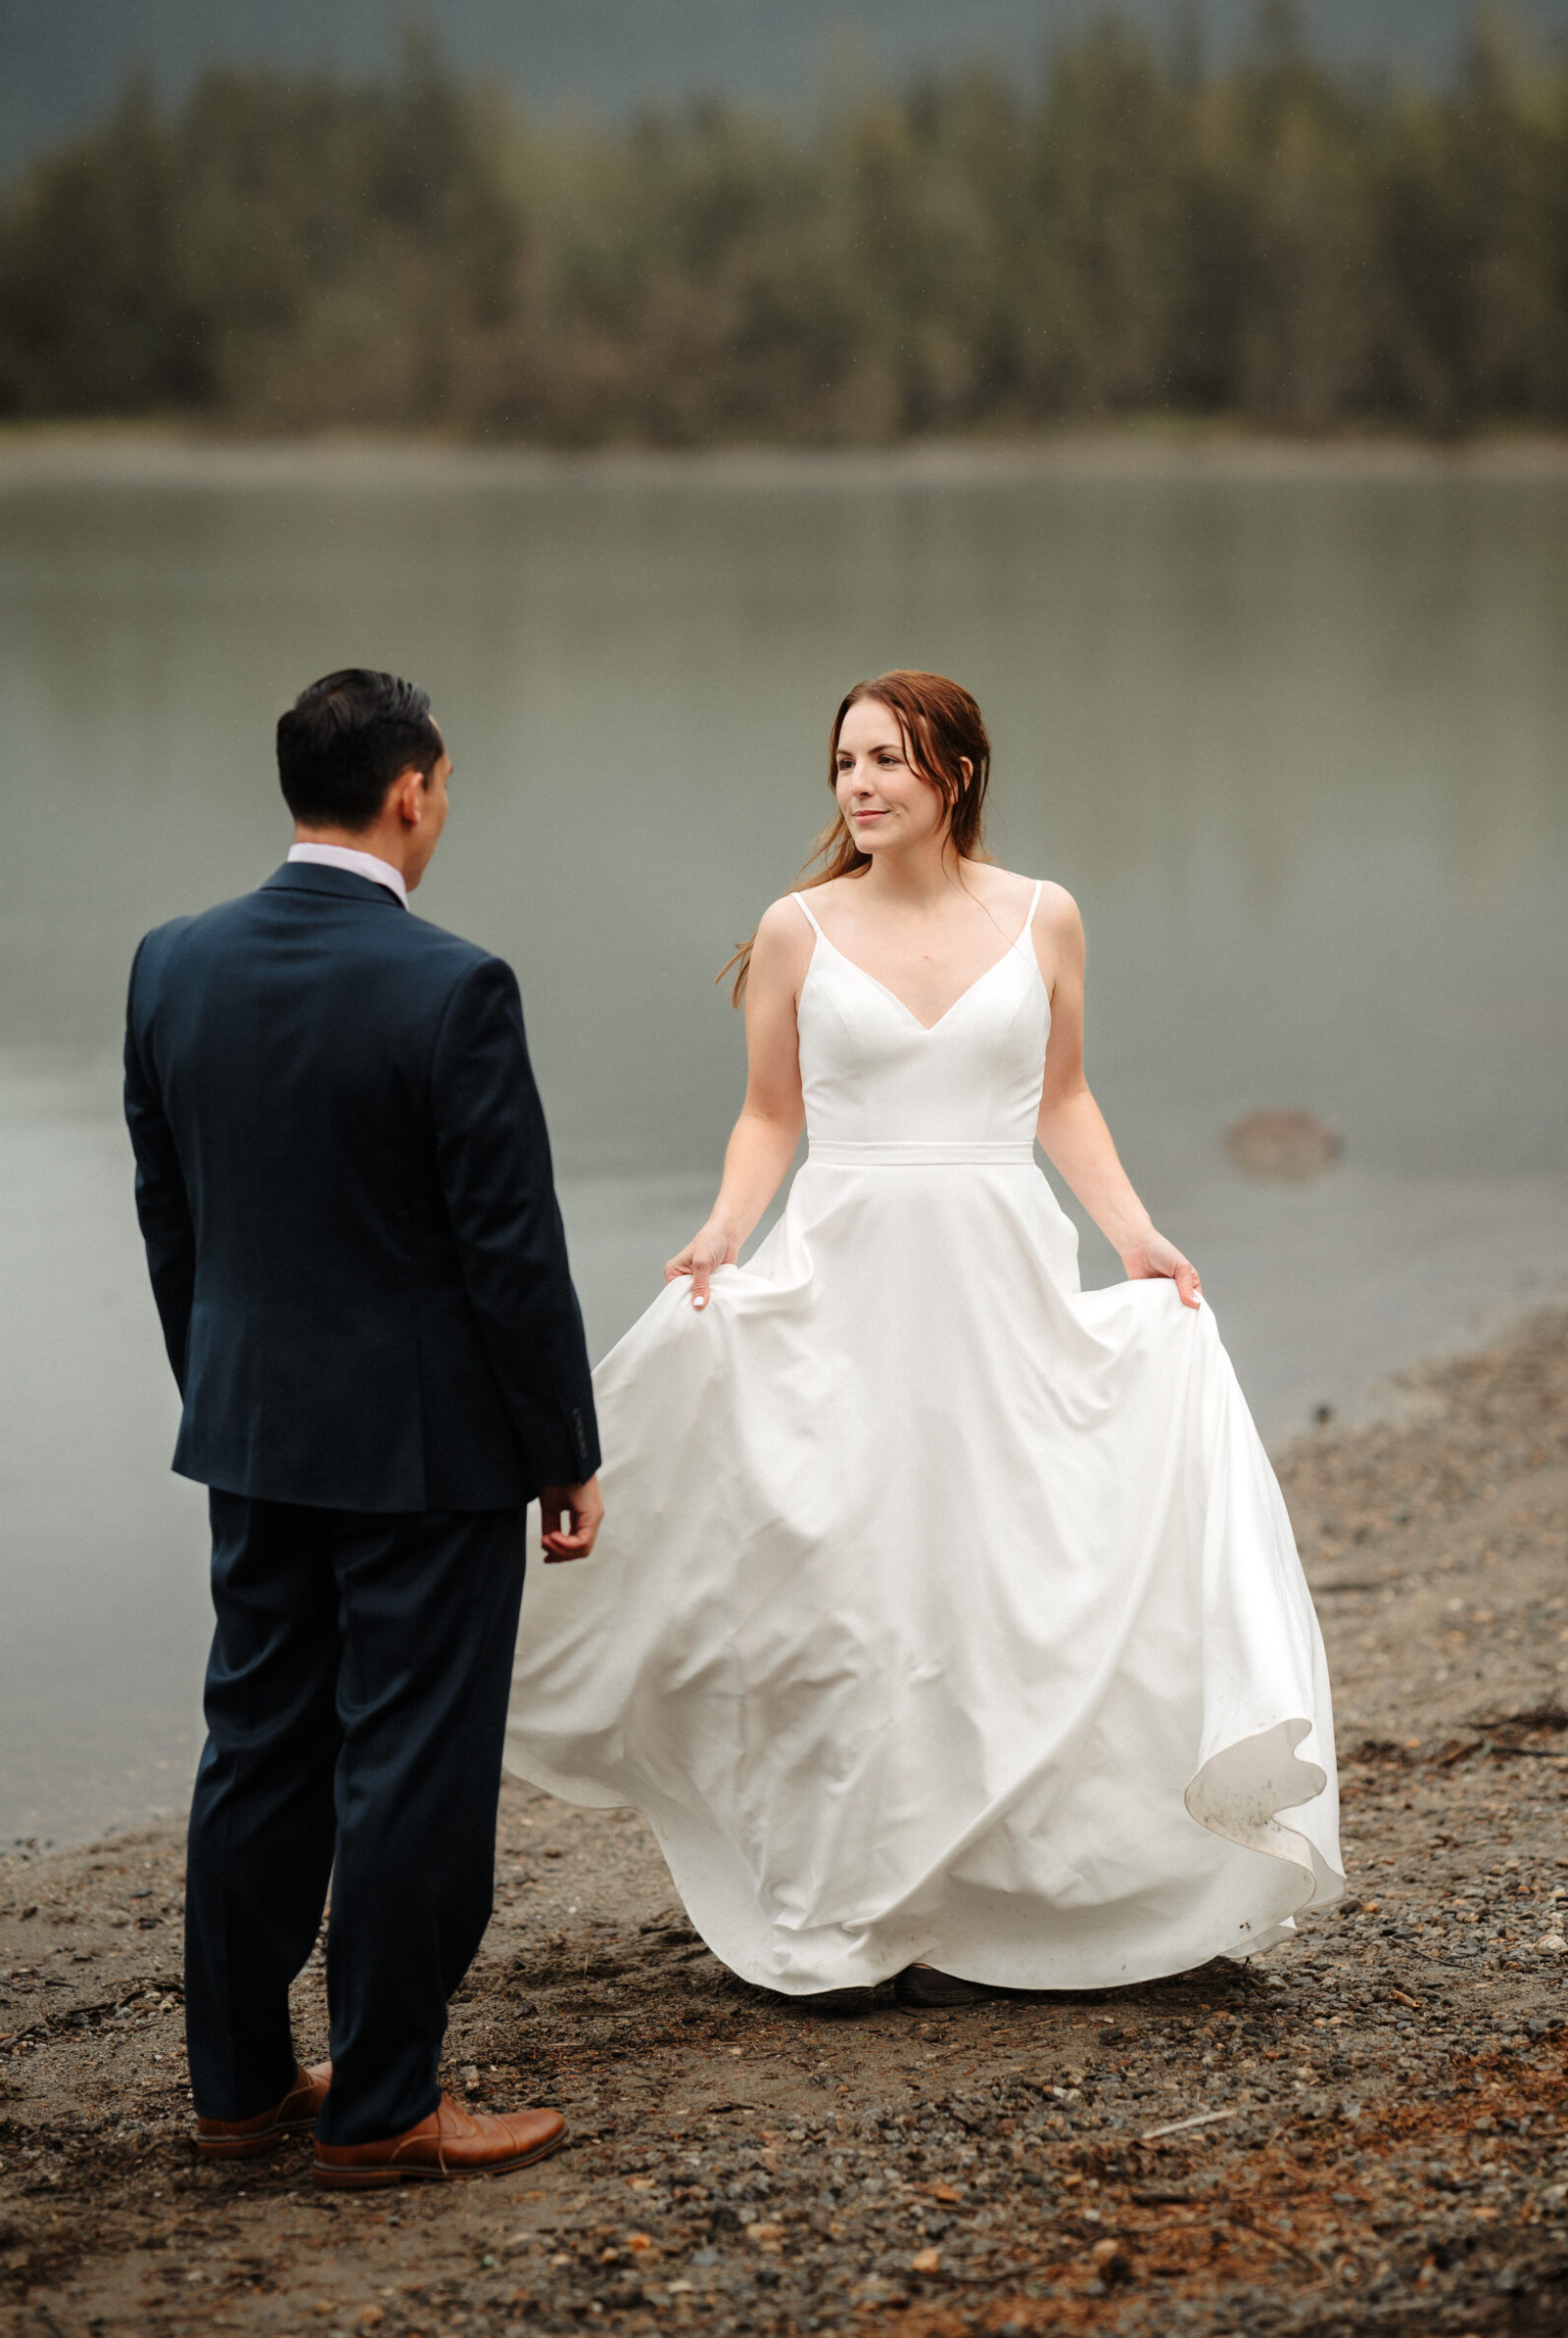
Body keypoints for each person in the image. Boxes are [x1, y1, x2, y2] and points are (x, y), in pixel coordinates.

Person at [505, 671, 1341, 2005]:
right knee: (854, 1588)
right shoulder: (797, 929)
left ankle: (1007, 1886)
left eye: (888, 759)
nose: (860, 785)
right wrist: (725, 1227)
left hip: (1000, 1273)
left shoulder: (1045, 916)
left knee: (1004, 1577)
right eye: (845, 762)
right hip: (847, 1278)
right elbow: (770, 1114)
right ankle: (851, 1894)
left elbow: (1060, 1096)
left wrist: (1133, 1234)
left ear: (957, 772)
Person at [124, 669, 604, 2185]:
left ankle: (240, 2085)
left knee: (254, 1744)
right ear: (412, 792)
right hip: (427, 1451)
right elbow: (508, 1252)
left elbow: (169, 1216)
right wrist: (562, 1450)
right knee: (409, 1761)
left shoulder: (171, 964)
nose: (440, 812)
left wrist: (223, 1387)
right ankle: (390, 2099)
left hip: (253, 1426)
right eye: (444, 791)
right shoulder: (452, 985)